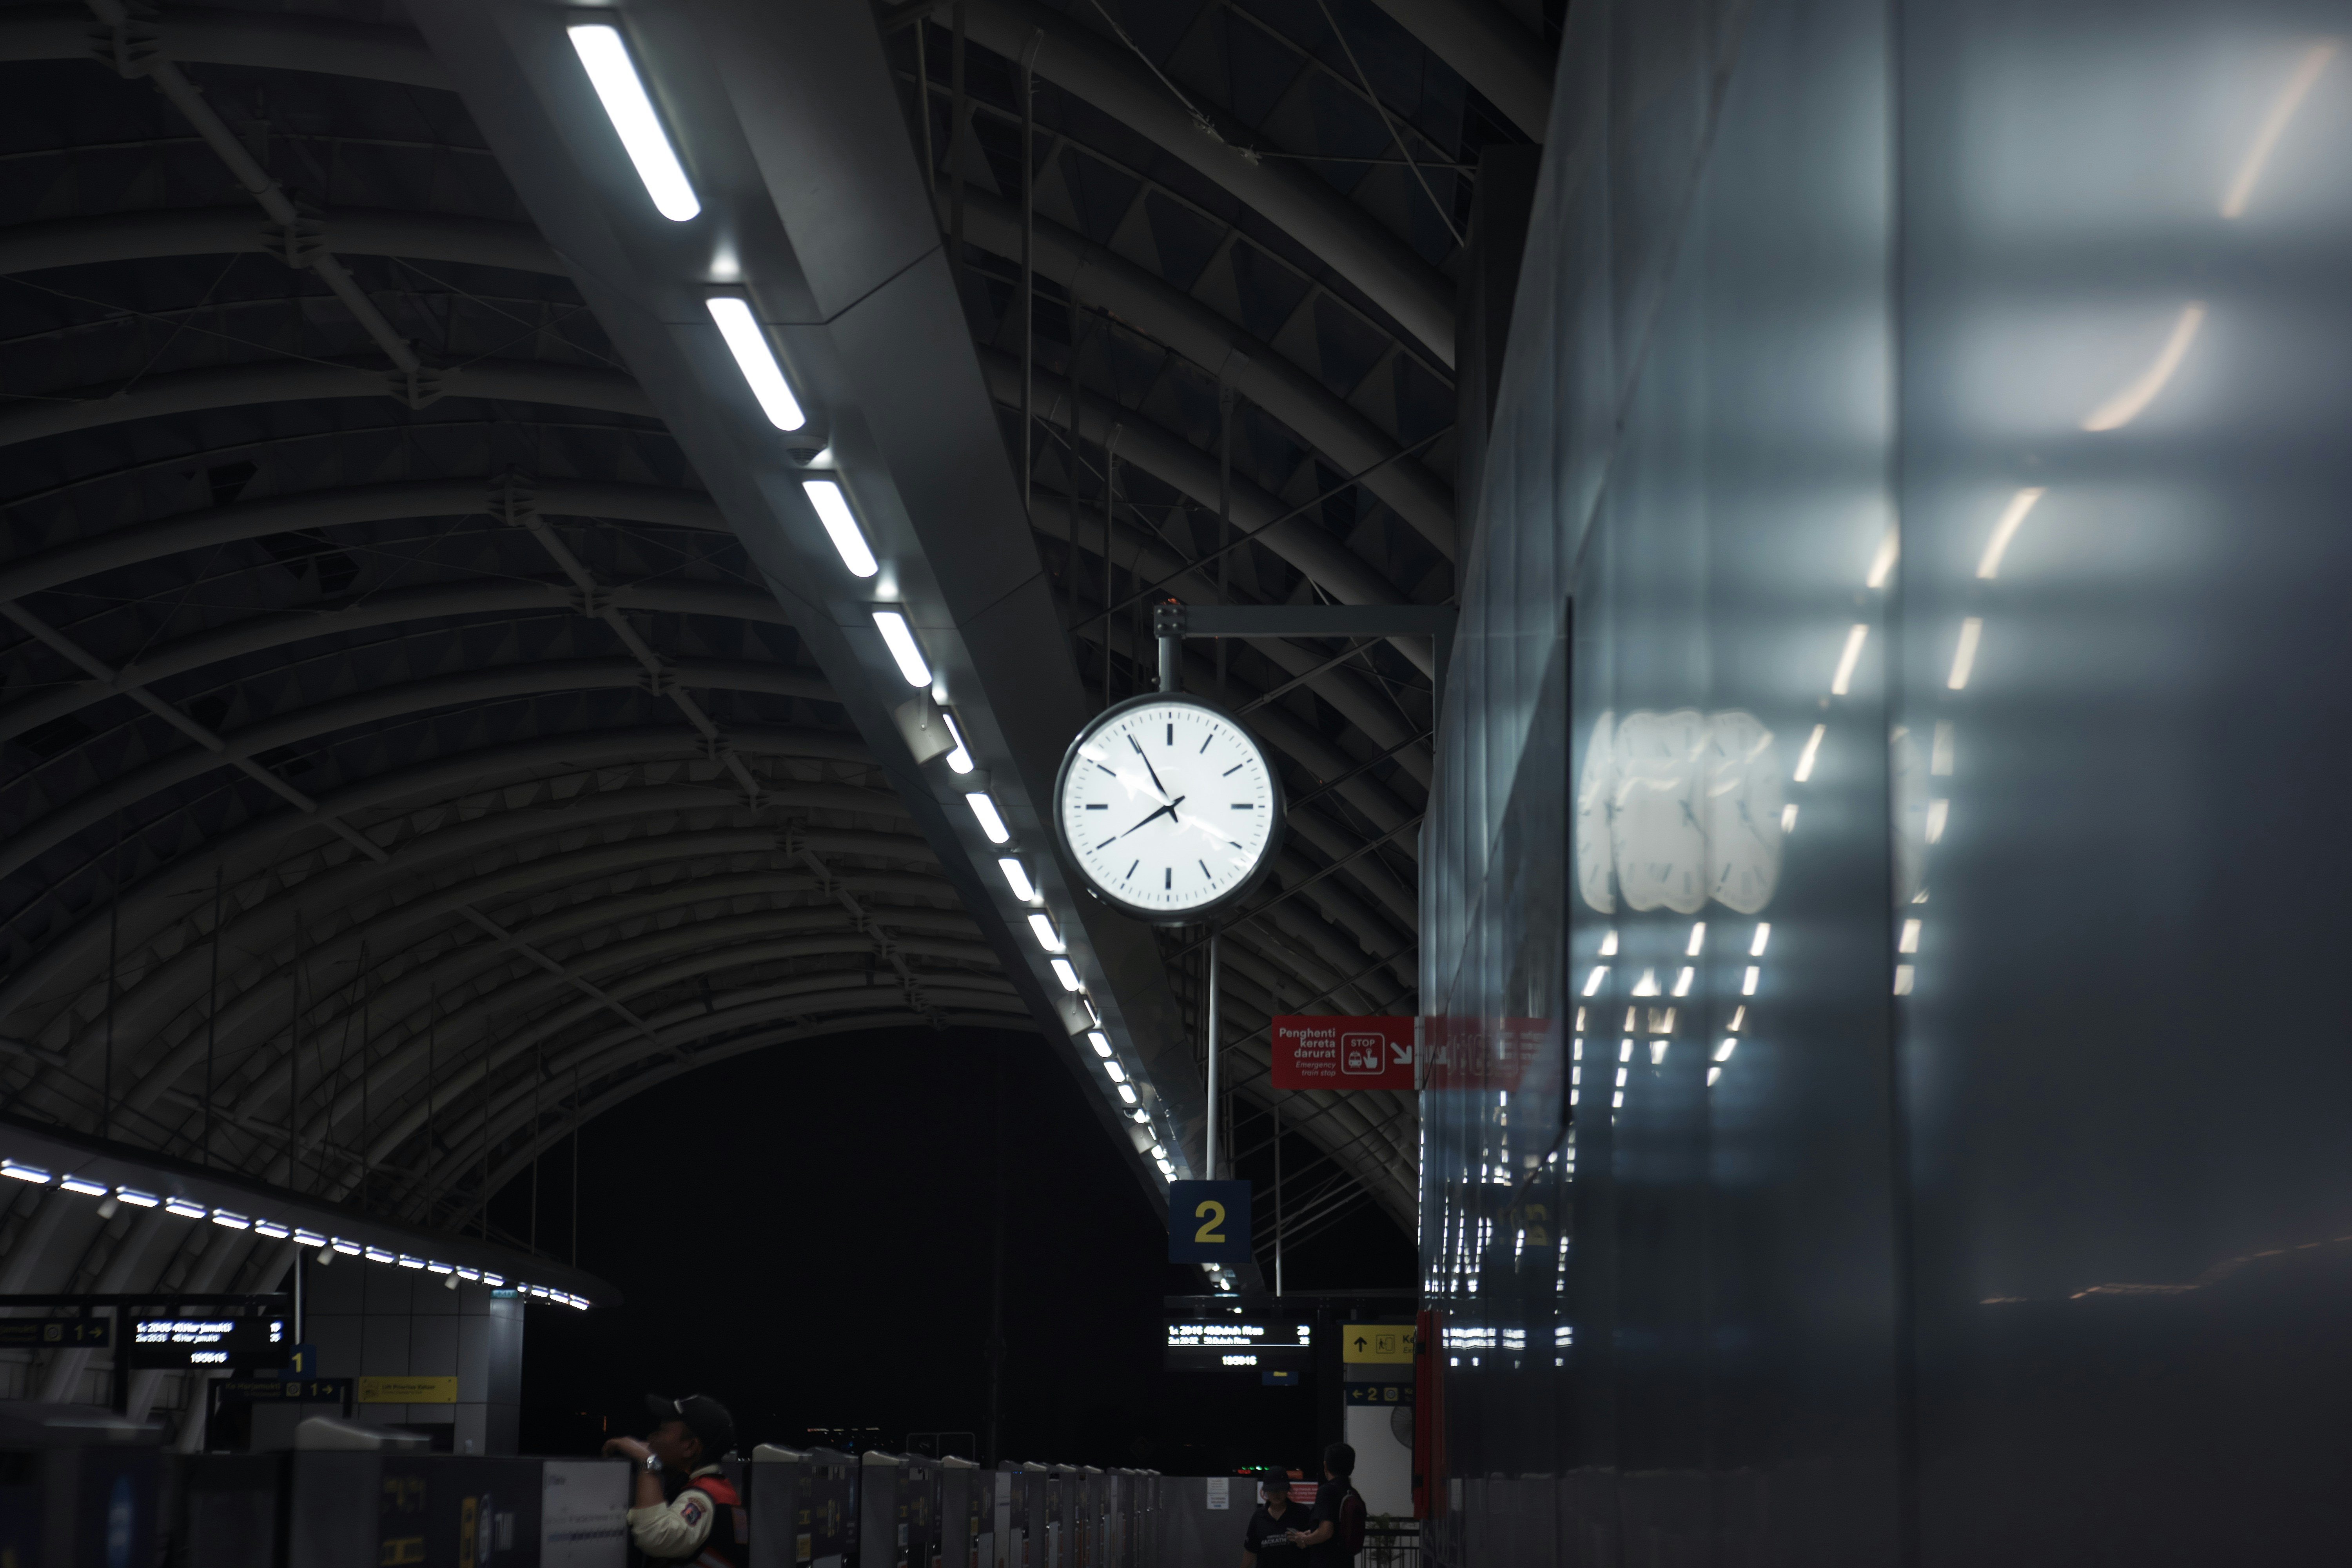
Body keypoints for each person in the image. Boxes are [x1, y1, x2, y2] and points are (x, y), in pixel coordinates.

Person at [603, 1393, 747, 1566]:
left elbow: (655, 1536)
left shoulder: (704, 1496)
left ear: (690, 1447)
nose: (650, 1438)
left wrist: (648, 1462)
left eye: (661, 1430)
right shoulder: (710, 1486)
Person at [1283, 1443, 1363, 1568]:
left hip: (1326, 1562)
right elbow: (1338, 1528)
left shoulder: (1327, 1491)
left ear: (1326, 1466)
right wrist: (1311, 1533)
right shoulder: (1353, 1493)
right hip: (1346, 1562)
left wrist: (1304, 1540)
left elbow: (1326, 1532)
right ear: (1352, 1467)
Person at [1239, 1469, 1304, 1568]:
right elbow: (1250, 1552)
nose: (1277, 1494)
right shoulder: (1259, 1517)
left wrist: (1304, 1541)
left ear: (1287, 1489)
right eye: (1272, 1490)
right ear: (1266, 1491)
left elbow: (1314, 1544)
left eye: (1280, 1489)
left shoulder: (1301, 1513)